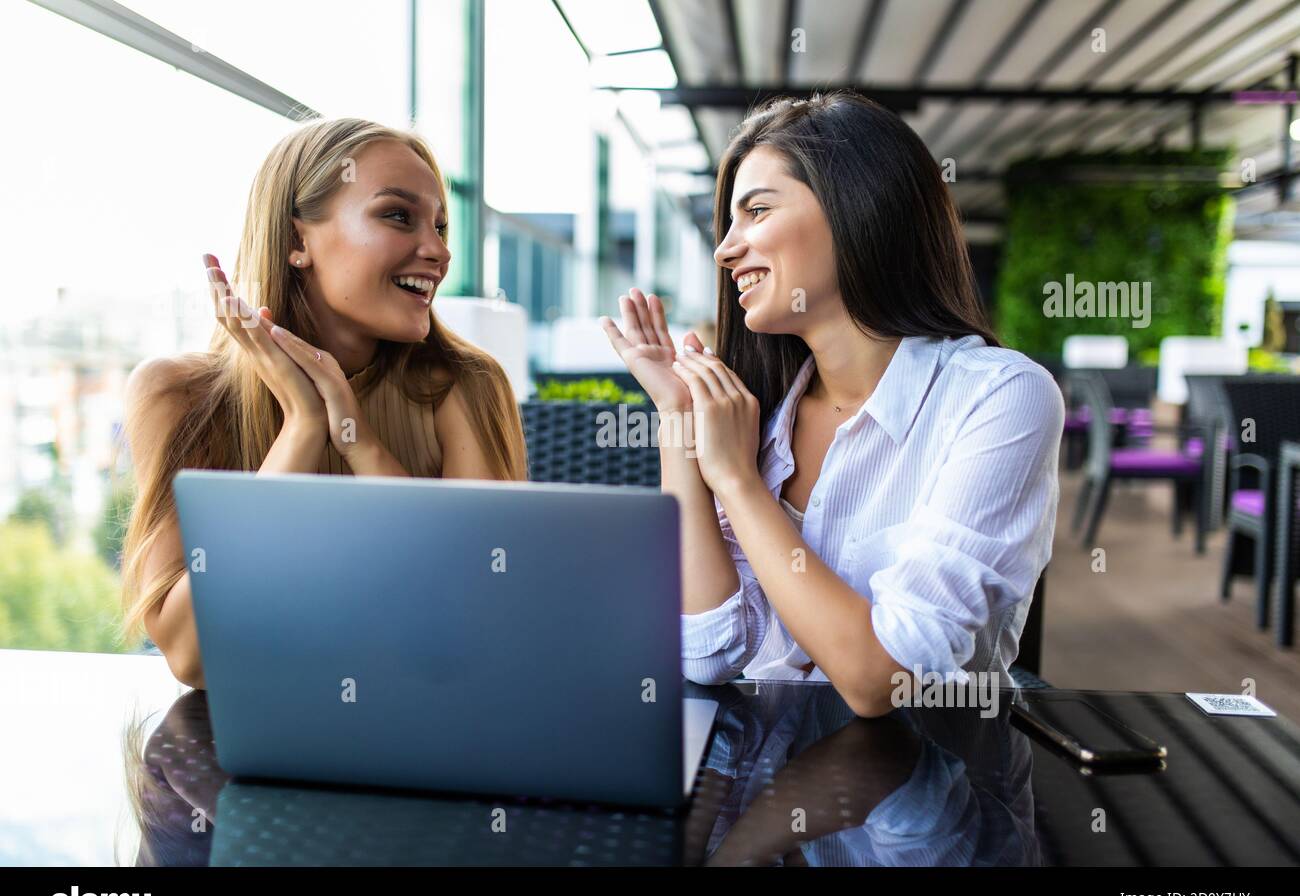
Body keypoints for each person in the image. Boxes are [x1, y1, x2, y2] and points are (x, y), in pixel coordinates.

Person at [601, 92, 1062, 717]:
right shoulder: (759, 410)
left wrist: (738, 482)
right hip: (770, 771)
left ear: (857, 211)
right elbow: (708, 654)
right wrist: (681, 426)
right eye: (728, 224)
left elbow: (883, 677)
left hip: (927, 783)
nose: (725, 249)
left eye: (757, 211)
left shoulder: (1000, 397)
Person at [120, 118, 527, 689]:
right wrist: (303, 426)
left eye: (439, 226)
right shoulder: (176, 395)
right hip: (245, 753)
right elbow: (194, 658)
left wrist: (358, 441)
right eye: (397, 215)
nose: (438, 251)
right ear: (296, 243)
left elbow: (478, 625)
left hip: (425, 734)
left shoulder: (466, 384)